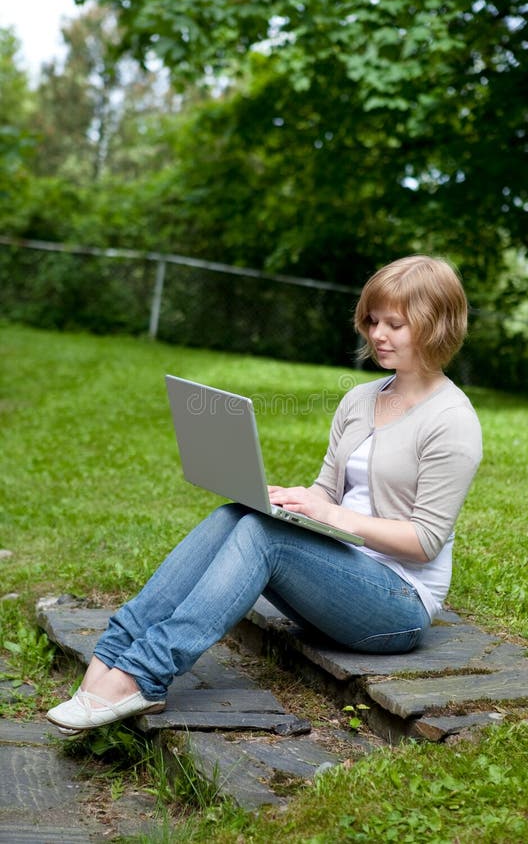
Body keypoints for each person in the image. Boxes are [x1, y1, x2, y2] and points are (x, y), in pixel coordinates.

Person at [47, 255, 482, 733]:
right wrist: (294, 502)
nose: (377, 334)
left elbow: (425, 541)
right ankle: (111, 656)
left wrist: (333, 517)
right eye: (373, 320)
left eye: (395, 324)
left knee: (262, 536)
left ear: (436, 325)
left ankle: (142, 676)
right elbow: (327, 491)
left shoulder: (452, 420)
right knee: (239, 513)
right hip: (341, 568)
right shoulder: (360, 400)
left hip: (399, 603)